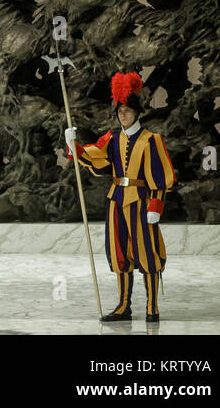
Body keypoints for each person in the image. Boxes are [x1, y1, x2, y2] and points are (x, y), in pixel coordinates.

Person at [66, 71, 177, 322]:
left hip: (141, 201)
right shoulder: (113, 138)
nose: (123, 114)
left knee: (146, 252)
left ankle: (152, 307)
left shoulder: (151, 140)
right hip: (116, 199)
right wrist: (74, 146)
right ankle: (123, 306)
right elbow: (95, 157)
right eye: (120, 110)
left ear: (136, 112)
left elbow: (160, 176)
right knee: (119, 252)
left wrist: (156, 206)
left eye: (127, 110)